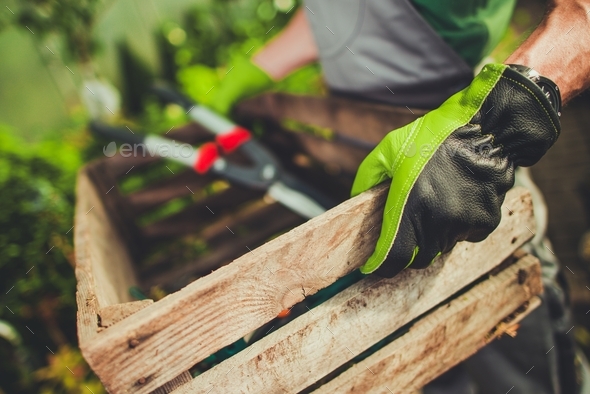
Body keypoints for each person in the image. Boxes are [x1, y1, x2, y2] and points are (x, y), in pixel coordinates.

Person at [199, 1, 590, 393]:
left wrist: (497, 126)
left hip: (455, 145)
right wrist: (259, 67)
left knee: (515, 348)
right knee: (428, 354)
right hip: (361, 134)